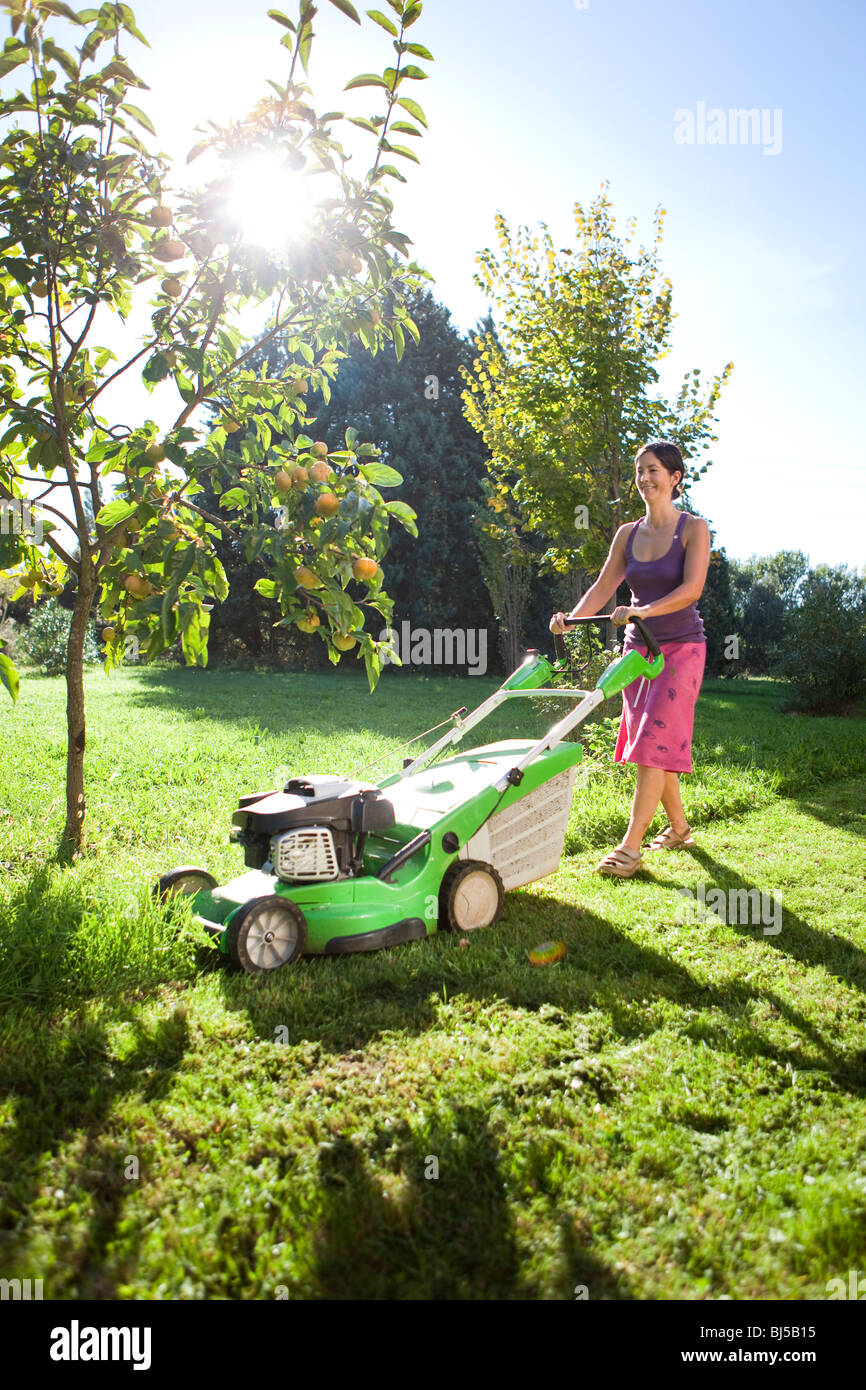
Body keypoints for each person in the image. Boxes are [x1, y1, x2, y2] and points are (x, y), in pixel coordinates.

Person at [550, 440, 710, 878]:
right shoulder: (628, 533)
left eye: (654, 470)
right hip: (637, 652)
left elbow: (692, 590)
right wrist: (572, 618)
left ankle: (630, 847)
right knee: (653, 741)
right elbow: (604, 588)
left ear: (675, 478)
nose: (644, 478)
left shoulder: (694, 529)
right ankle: (678, 829)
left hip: (680, 648)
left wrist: (643, 610)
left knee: (652, 747)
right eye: (640, 471)